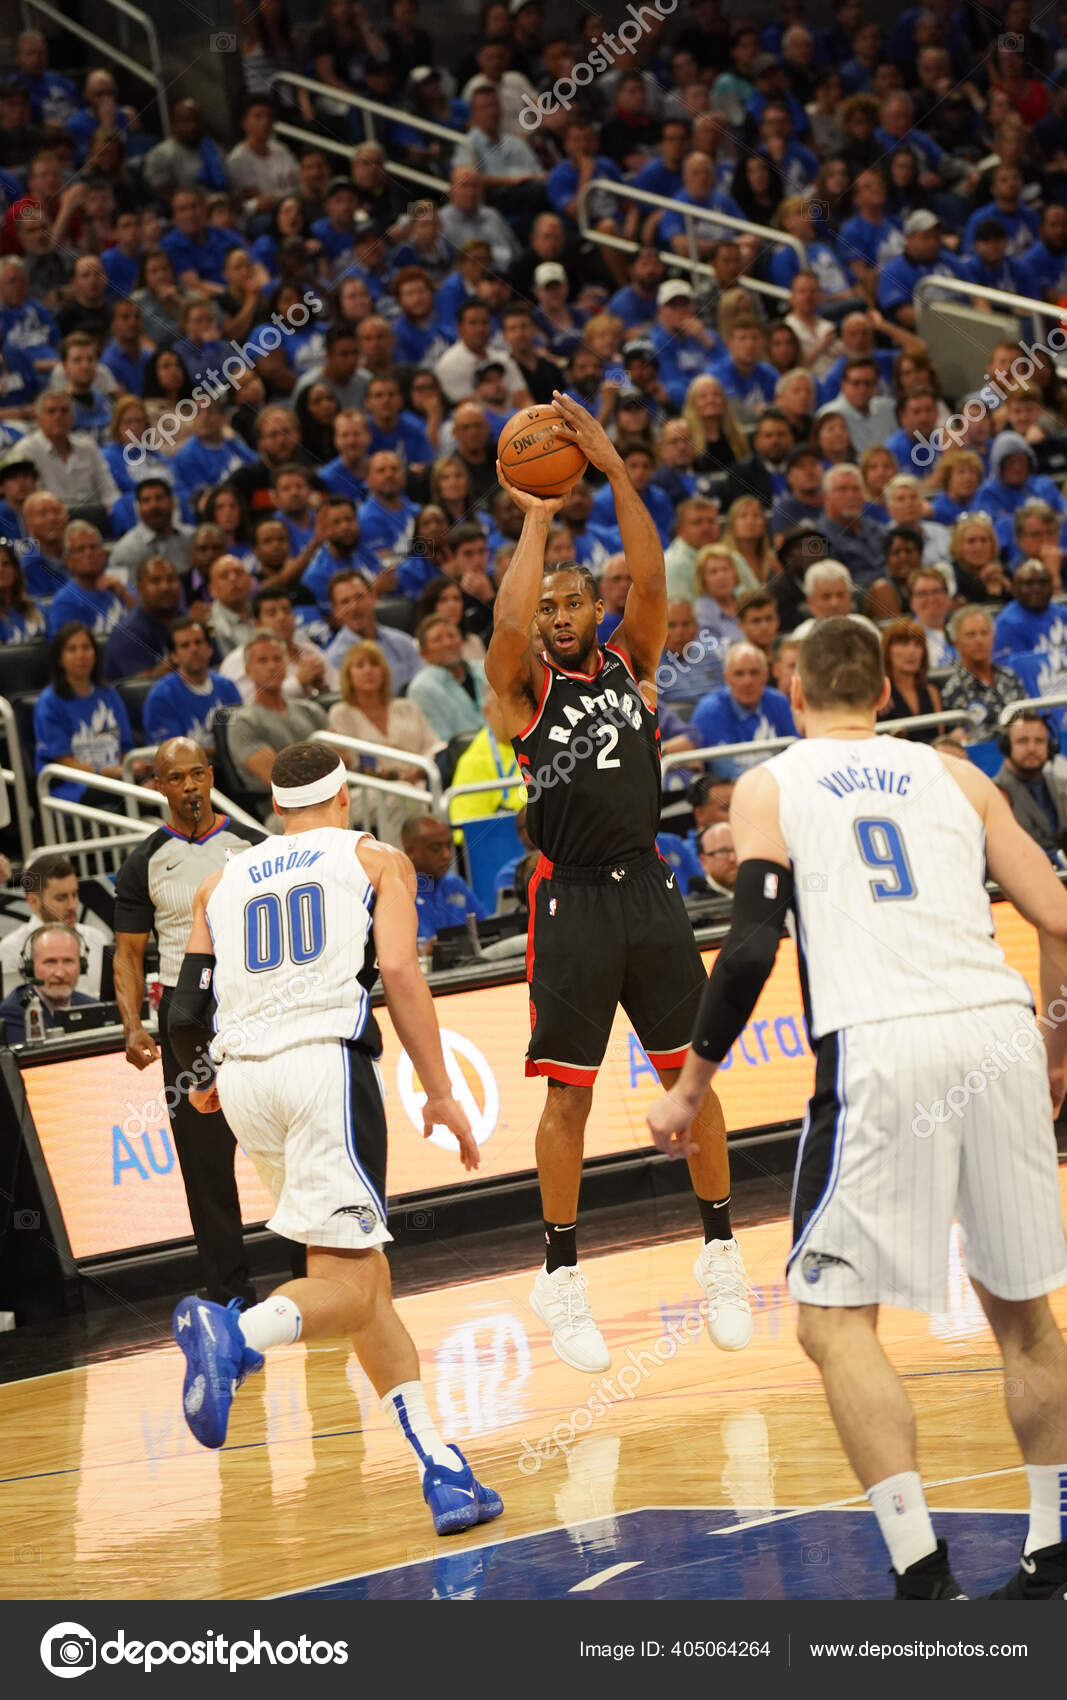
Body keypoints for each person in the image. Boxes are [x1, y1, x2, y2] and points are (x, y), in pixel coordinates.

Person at [650, 616, 1067, 1601]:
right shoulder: (960, 776)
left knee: (831, 1322)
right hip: (996, 1029)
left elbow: (748, 947)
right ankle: (1052, 1553)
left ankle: (921, 1575)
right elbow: (1056, 914)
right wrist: (1053, 1046)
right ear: (884, 691)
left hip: (878, 1044)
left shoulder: (772, 782)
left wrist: (690, 1085)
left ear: (793, 690)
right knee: (1024, 1316)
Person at [166, 743, 502, 1537]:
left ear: (276, 807)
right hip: (323, 1067)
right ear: (344, 794)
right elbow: (400, 973)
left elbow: (183, 1013)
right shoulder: (376, 859)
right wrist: (441, 1091)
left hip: (246, 1081)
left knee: (364, 1283)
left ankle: (441, 1469)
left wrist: (201, 1075)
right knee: (345, 1285)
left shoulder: (220, 881)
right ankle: (235, 1333)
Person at [486, 391, 753, 1374]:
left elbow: (650, 573)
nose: (556, 616)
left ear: (592, 613)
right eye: (547, 607)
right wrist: (536, 518)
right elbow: (504, 624)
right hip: (570, 903)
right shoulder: (522, 687)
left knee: (693, 1076)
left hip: (647, 889)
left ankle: (720, 1250)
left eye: (570, 603)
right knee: (569, 1100)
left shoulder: (633, 662)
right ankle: (559, 1273)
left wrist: (611, 466)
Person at [114, 738, 266, 1306]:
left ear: (210, 776)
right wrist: (132, 1025)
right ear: (159, 786)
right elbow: (128, 954)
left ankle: (312, 1273)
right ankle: (231, 1296)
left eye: (197, 774)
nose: (189, 787)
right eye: (176, 778)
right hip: (186, 1016)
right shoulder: (145, 861)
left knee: (284, 1141)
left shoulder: (252, 845)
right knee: (206, 1169)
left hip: (252, 1003)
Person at [226, 632, 328, 808]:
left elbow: (344, 757)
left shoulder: (310, 709)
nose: (272, 666)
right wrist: (321, 759)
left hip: (328, 798)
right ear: (248, 670)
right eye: (263, 661)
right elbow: (280, 777)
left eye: (277, 659)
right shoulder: (242, 722)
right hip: (283, 810)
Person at [0, 852, 110, 999]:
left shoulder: (97, 938)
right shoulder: (10, 950)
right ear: (33, 902)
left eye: (75, 895)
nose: (72, 905)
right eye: (61, 898)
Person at [691, 642, 797, 778]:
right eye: (739, 674)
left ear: (765, 675)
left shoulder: (779, 703)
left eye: (754, 672)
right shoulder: (709, 711)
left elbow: (798, 751)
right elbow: (726, 771)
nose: (747, 681)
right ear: (726, 678)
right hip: (733, 786)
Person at [143, 617, 243, 752]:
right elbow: (172, 753)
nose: (194, 649)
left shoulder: (227, 686)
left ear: (210, 648)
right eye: (185, 645)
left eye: (198, 642)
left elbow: (242, 736)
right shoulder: (161, 697)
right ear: (174, 656)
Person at [0, 924, 98, 1046]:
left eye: (68, 961)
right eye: (50, 962)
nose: (60, 973)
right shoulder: (13, 1014)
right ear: (30, 967)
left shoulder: (92, 1006)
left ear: (82, 966)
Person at [402, 812, 487, 946]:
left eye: (449, 846)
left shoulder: (455, 884)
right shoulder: (399, 893)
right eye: (436, 848)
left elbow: (487, 928)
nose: (447, 855)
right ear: (410, 852)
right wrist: (424, 949)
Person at [995, 712, 1067, 865]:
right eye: (1022, 741)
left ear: (1050, 746)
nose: (1032, 748)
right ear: (1006, 746)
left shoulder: (1062, 787)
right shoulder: (995, 793)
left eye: (1039, 741)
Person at [940, 607, 1023, 734]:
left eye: (984, 633)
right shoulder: (952, 691)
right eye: (971, 635)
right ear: (956, 644)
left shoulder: (1010, 676)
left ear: (992, 638)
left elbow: (1029, 717)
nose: (979, 640)